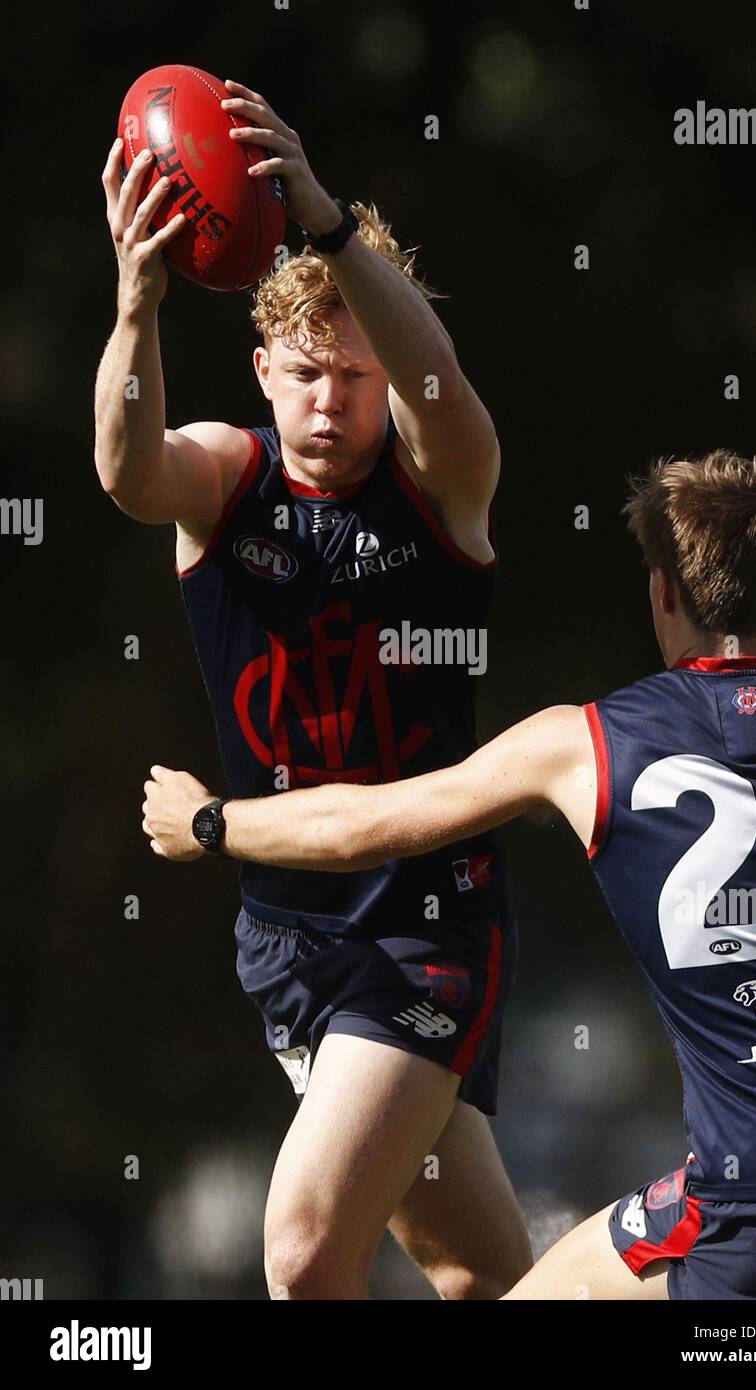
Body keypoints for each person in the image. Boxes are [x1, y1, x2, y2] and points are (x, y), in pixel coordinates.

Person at [144, 450, 756, 1300]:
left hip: (753, 1212)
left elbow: (358, 827)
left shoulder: (588, 743)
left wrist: (208, 822)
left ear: (661, 593)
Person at [97, 77, 531, 1301]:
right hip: (288, 943)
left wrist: (327, 220)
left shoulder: (445, 482)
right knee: (481, 1274)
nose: (328, 400)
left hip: (426, 928)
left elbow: (437, 382)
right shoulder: (228, 484)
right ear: (261, 372)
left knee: (300, 1250)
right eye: (303, 372)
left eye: (351, 374)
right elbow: (127, 469)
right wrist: (136, 300)